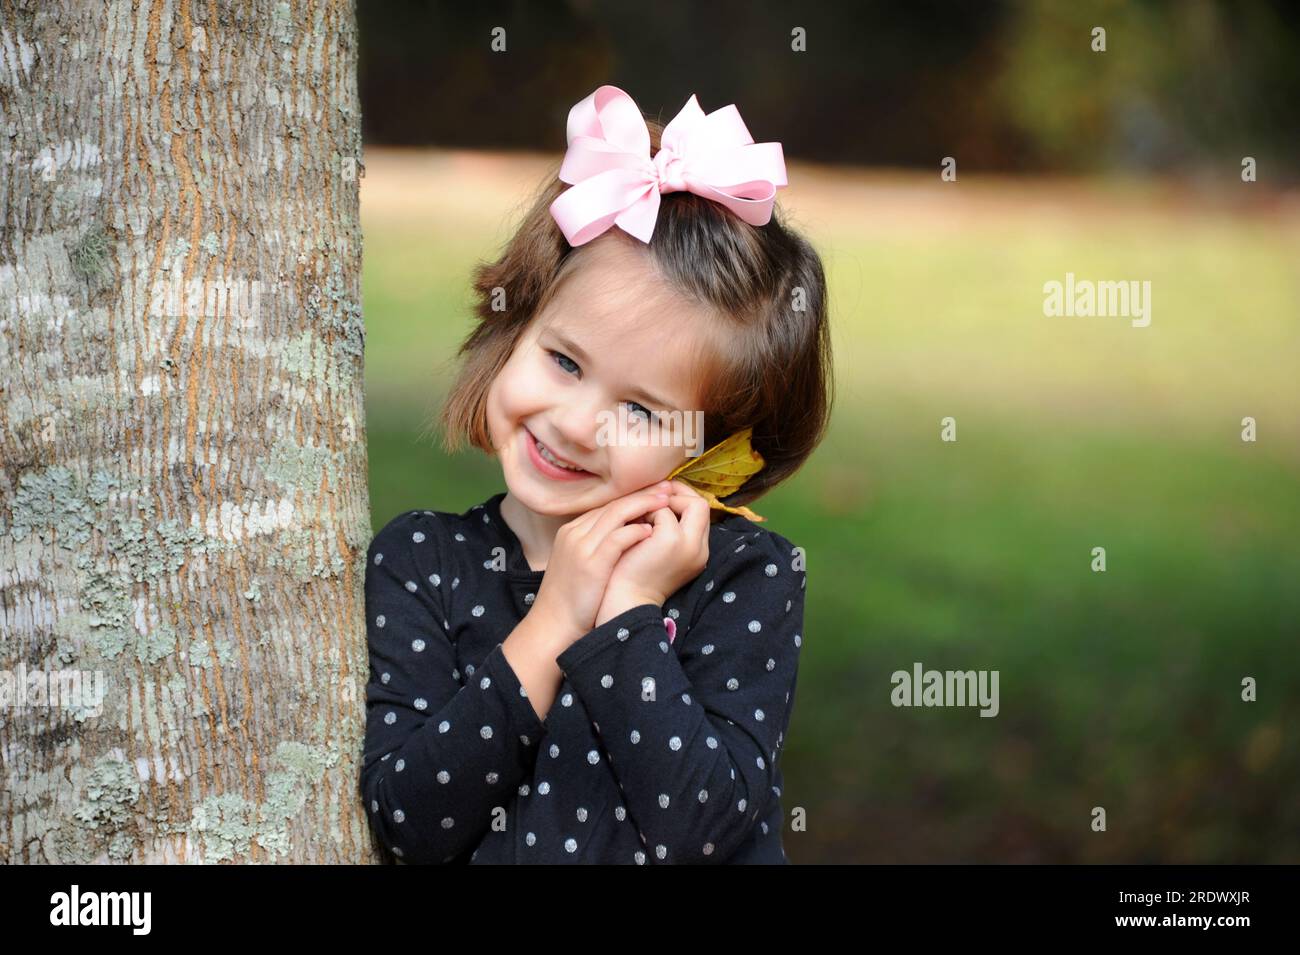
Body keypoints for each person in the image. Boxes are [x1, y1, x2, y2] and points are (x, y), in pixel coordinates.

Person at [360, 85, 833, 863]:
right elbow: (408, 826)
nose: (579, 422)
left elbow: (708, 829)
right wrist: (554, 620)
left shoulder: (745, 577)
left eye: (642, 411)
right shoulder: (423, 565)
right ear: (515, 329)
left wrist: (627, 617)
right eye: (564, 360)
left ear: (710, 445)